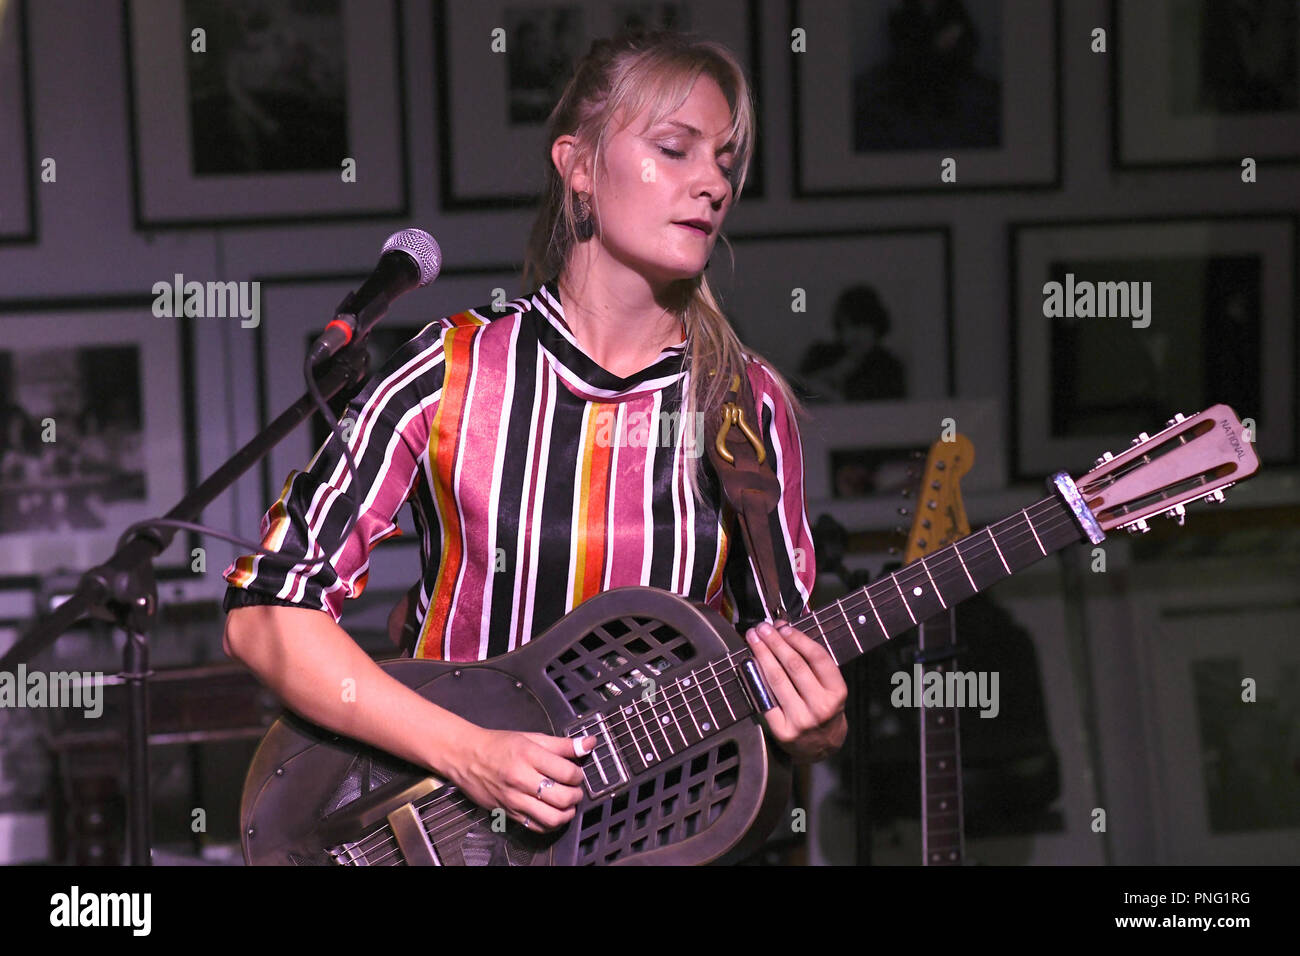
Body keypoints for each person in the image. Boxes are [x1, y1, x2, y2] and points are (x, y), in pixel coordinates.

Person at [222, 29, 848, 840]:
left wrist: (818, 727)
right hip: (446, 834)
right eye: (675, 149)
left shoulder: (744, 404)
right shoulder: (451, 369)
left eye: (726, 161)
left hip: (655, 841)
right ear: (579, 167)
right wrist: (467, 751)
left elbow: (788, 668)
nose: (713, 184)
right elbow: (267, 613)